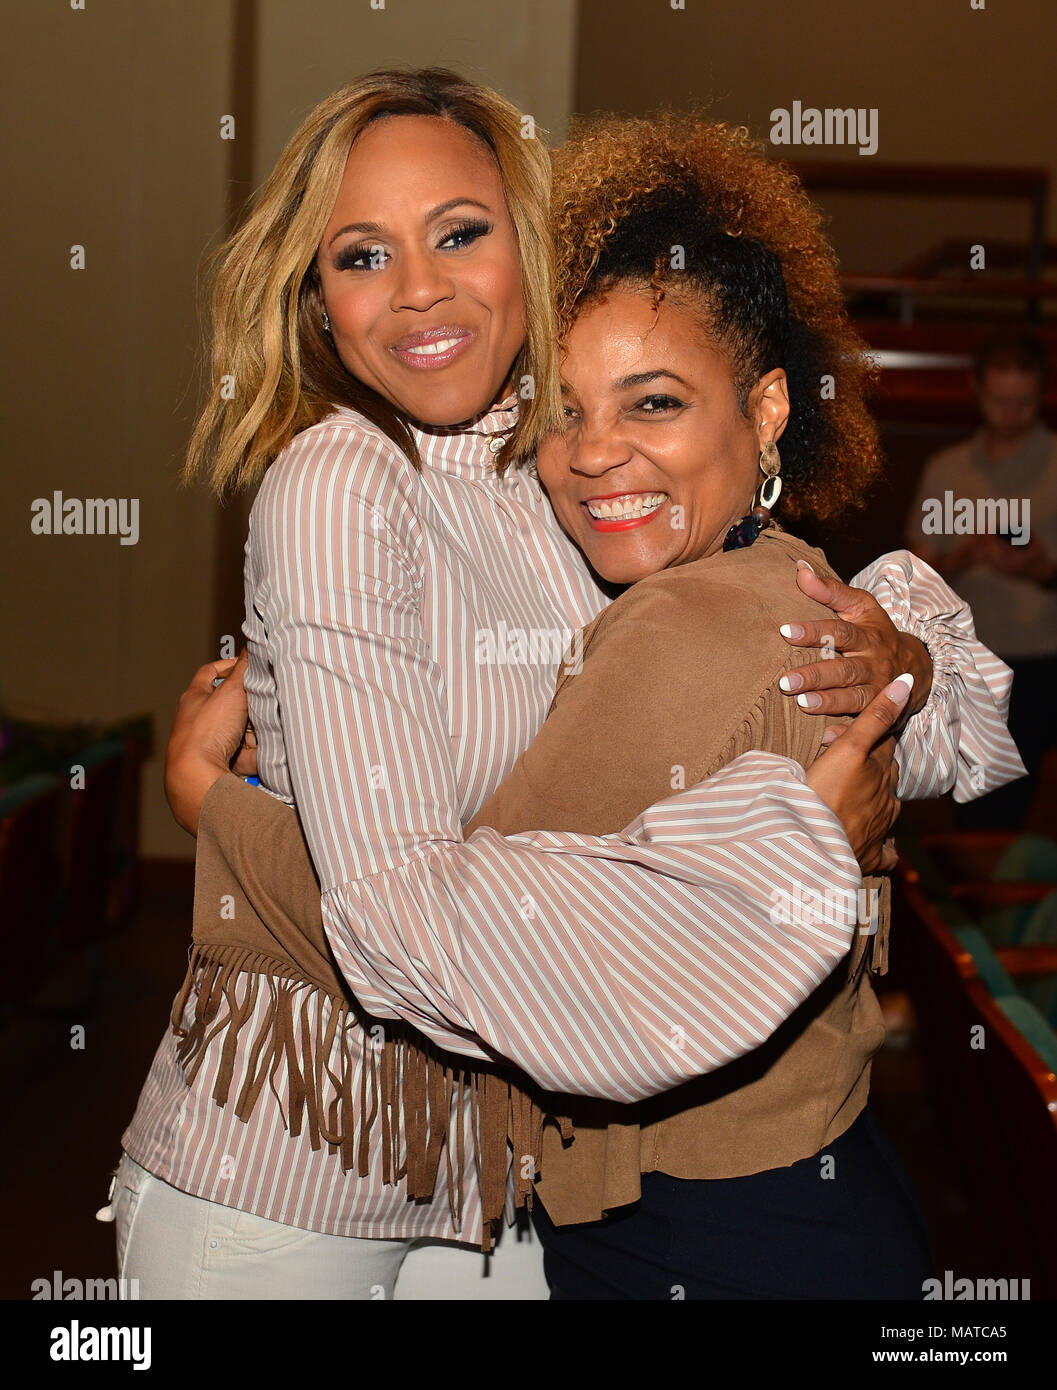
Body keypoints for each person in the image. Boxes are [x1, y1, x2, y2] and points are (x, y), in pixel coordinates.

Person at [114, 69, 1017, 1302]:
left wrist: (902, 668)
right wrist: (213, 806)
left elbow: (862, 724)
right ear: (315, 300)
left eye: (462, 234)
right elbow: (401, 916)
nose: (420, 287)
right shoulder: (349, 476)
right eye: (362, 253)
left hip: (523, 1185)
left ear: (525, 255)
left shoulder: (569, 492)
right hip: (300, 1161)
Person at [907, 329, 1057, 827]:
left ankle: (1011, 897)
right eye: (999, 400)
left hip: (1040, 658)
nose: (1011, 413)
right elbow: (913, 569)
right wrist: (963, 558)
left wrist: (1043, 568)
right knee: (967, 805)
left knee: (1022, 806)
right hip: (965, 660)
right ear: (976, 389)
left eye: (1024, 402)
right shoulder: (947, 469)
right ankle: (975, 899)